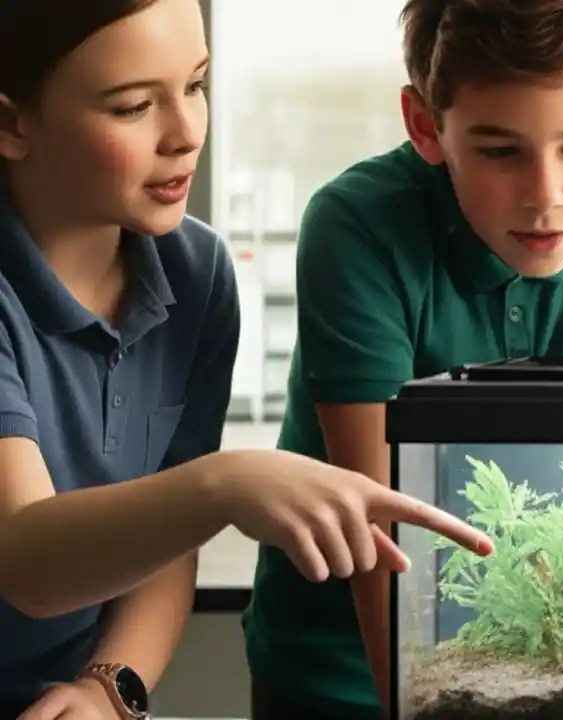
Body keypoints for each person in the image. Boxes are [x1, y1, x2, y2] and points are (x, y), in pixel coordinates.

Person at [0, 2, 491, 718]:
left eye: (196, 85)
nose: (186, 133)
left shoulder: (195, 272)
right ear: (12, 124)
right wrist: (227, 484)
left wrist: (107, 689)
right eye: (133, 106)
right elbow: (26, 561)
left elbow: (167, 545)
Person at [239, 0, 563, 716]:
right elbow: (378, 521)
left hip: (551, 662)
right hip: (344, 672)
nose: (546, 197)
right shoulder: (357, 225)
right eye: (501, 152)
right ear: (425, 126)